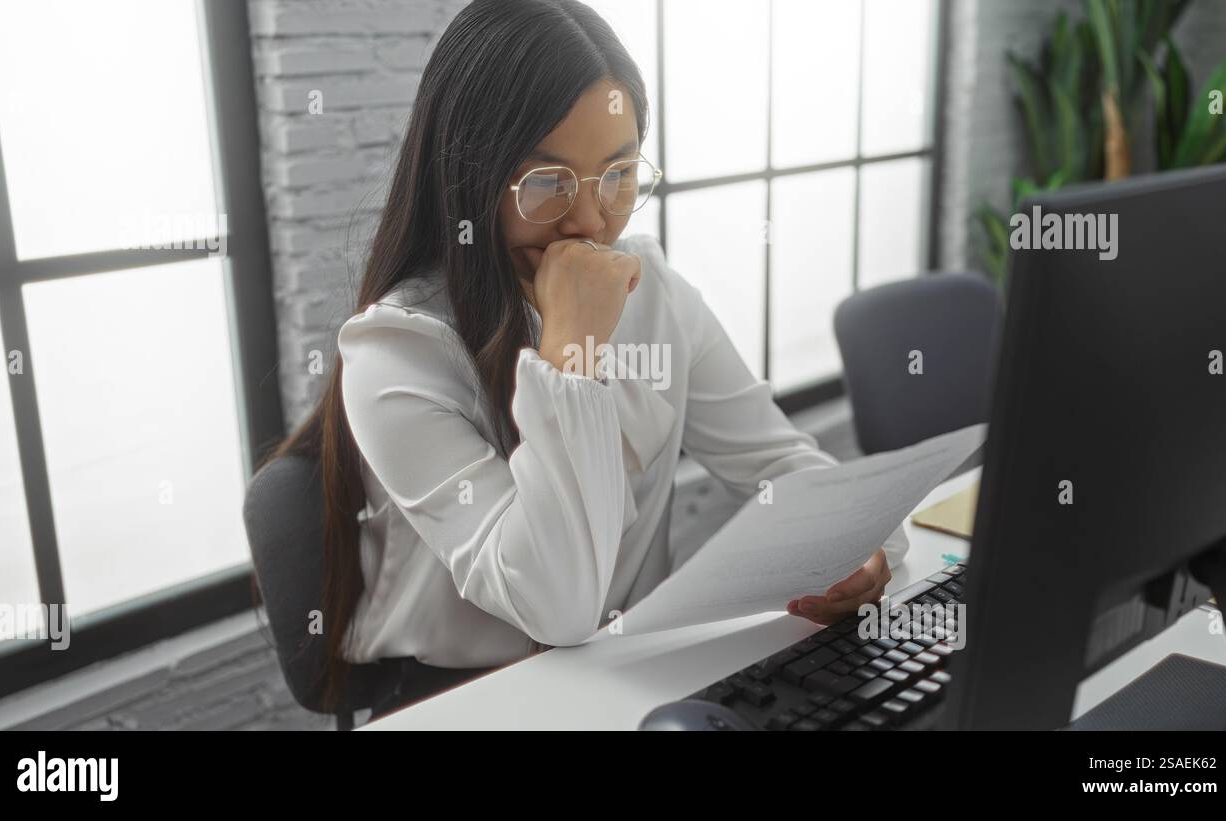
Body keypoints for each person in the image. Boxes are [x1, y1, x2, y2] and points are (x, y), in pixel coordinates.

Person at [267, 0, 907, 711]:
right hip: (470, 701)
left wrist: (858, 547)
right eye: (546, 182)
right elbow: (559, 606)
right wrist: (571, 348)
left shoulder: (653, 290)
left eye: (620, 174)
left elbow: (783, 466)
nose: (591, 220)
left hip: (632, 675)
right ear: (465, 178)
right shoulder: (395, 351)